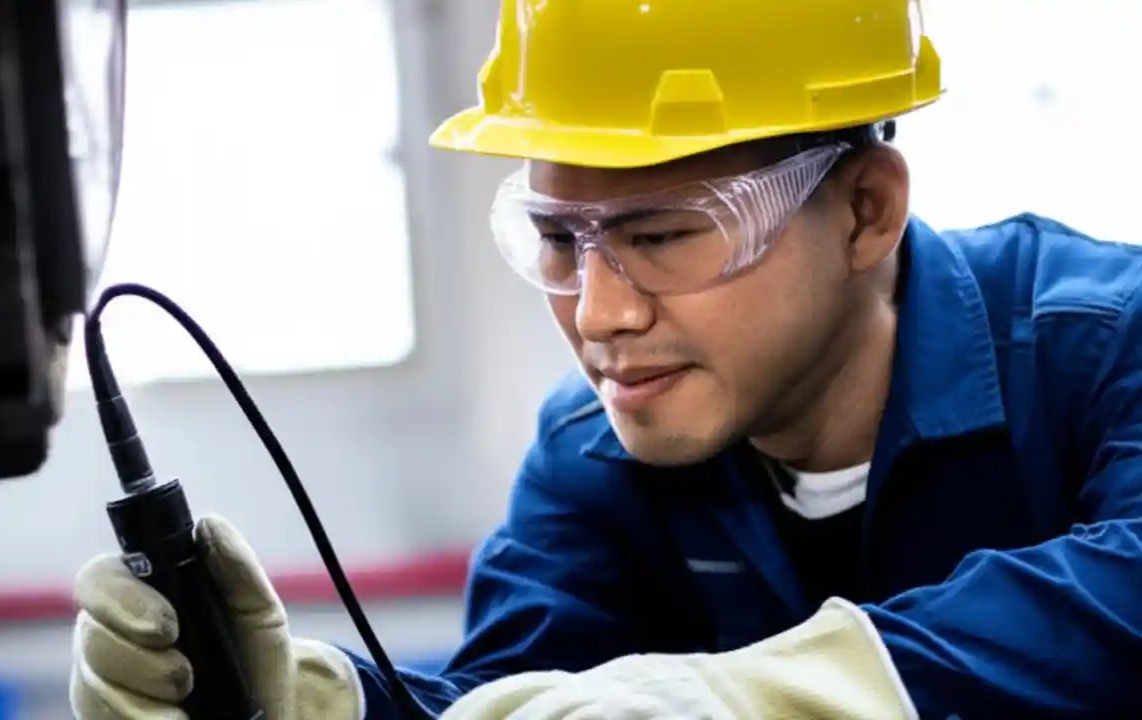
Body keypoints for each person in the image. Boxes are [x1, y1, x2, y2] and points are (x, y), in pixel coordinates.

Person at [68, 1, 1142, 717]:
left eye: (663, 236)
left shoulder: (1099, 347)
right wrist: (321, 702)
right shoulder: (594, 455)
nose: (598, 314)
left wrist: (764, 696)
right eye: (554, 240)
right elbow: (513, 701)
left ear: (864, 212)